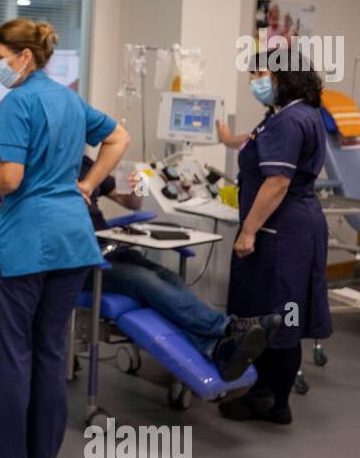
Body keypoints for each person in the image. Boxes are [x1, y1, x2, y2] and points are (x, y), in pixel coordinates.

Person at [0, 18, 130, 458]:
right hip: (73, 241)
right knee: (50, 349)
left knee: (12, 350)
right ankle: (41, 457)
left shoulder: (18, 101)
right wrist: (88, 185)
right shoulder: (69, 99)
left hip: (26, 243)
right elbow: (119, 138)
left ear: (24, 57)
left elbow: (11, 177)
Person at [80, 156, 277, 379]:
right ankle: (229, 328)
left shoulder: (86, 163)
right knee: (143, 280)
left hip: (110, 248)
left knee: (168, 276)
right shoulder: (52, 168)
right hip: (82, 260)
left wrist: (139, 185)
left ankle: (215, 346)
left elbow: (133, 203)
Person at [215, 60, 332, 424]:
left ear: (285, 78)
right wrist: (226, 139)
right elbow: (255, 142)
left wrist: (249, 230)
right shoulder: (297, 114)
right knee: (285, 311)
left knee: (275, 313)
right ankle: (272, 396)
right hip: (297, 226)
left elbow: (277, 182)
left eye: (262, 75)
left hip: (279, 229)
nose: (255, 82)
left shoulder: (287, 120)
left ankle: (269, 398)